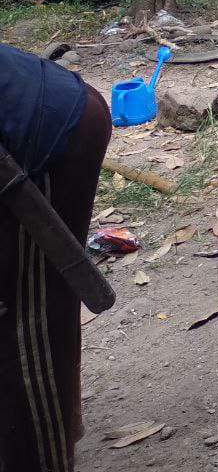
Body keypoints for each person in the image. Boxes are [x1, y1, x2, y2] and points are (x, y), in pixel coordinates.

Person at [0, 44, 111, 472]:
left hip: (53, 132)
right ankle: (57, 422)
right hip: (35, 117)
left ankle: (42, 454)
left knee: (26, 316)